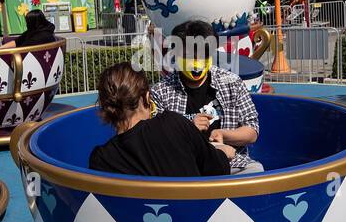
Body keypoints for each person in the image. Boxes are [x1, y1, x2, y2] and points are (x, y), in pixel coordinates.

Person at [150, 19, 263, 174]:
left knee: (254, 171)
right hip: (182, 166)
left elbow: (252, 131)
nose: (196, 62)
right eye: (189, 56)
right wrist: (187, 128)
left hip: (231, 162)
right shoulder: (161, 91)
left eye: (203, 54)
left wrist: (223, 134)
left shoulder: (232, 83)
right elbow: (152, 138)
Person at [88, 63, 233, 177]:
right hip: (194, 213)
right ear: (146, 97)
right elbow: (217, 170)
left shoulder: (101, 159)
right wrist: (222, 151)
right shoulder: (172, 124)